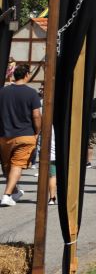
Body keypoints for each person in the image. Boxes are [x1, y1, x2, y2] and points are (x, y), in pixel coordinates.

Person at [0, 66, 40, 205]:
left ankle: (14, 192)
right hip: (26, 134)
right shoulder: (31, 93)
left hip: (5, 135)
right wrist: (37, 132)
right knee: (16, 165)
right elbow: (36, 115)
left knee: (7, 166)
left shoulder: (3, 92)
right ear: (27, 75)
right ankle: (7, 195)